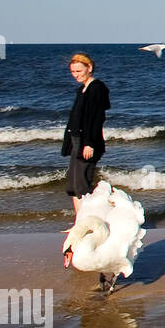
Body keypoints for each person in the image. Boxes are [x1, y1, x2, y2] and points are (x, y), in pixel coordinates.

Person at [62, 53, 110, 218]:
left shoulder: (97, 88)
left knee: (82, 184)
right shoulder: (81, 89)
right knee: (74, 185)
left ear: (89, 68)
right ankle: (79, 222)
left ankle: (88, 222)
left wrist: (89, 143)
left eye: (78, 71)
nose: (75, 75)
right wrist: (68, 142)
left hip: (88, 142)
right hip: (77, 140)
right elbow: (75, 118)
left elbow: (96, 118)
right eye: (73, 72)